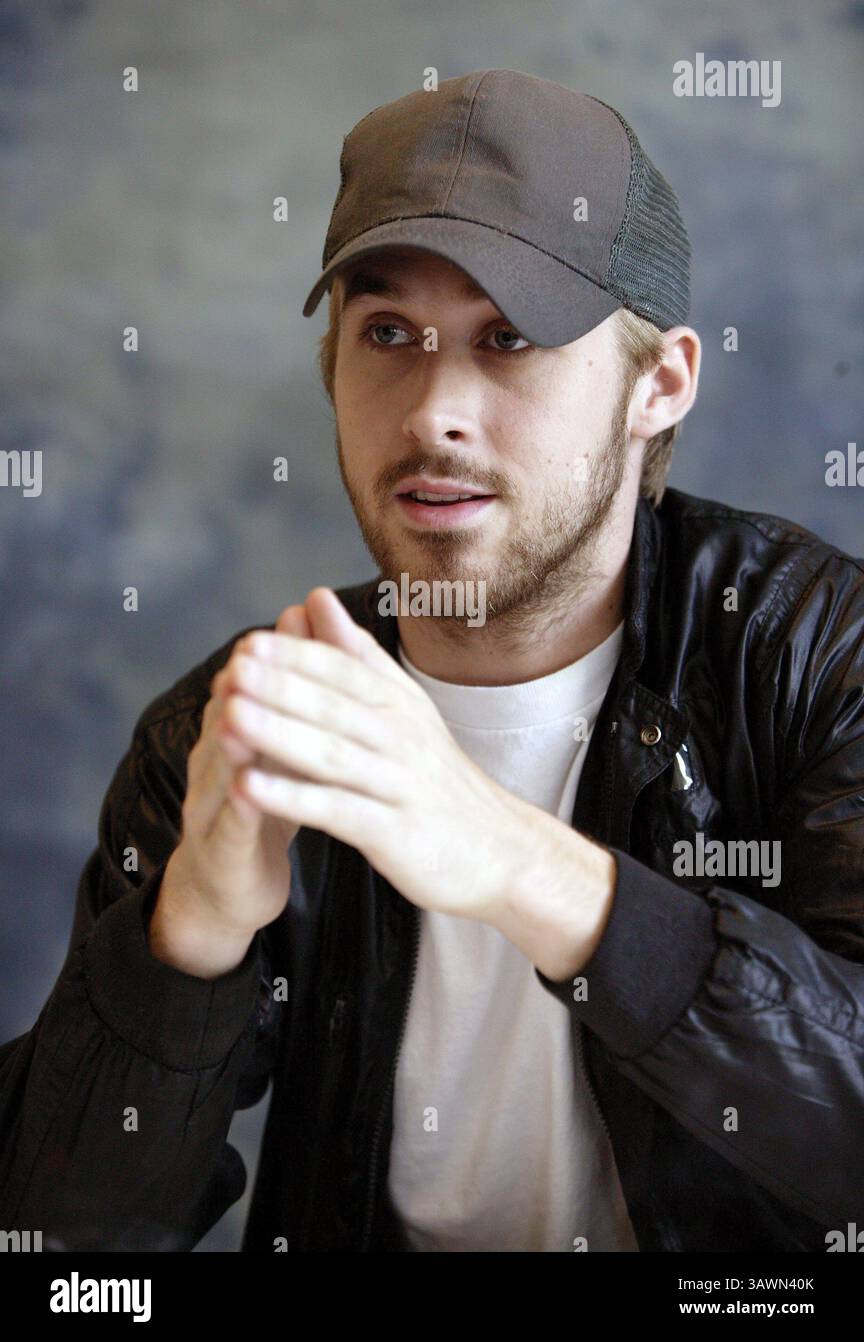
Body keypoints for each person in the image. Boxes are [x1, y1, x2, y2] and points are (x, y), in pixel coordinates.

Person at [1, 69, 862, 1253]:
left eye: (508, 339)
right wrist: (191, 933)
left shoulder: (817, 658)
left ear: (657, 385)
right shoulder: (229, 723)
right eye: (389, 335)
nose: (435, 410)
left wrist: (513, 858)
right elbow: (58, 1260)